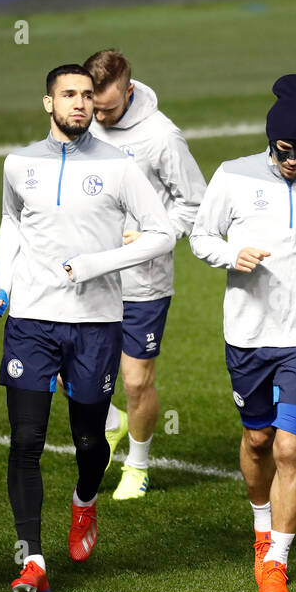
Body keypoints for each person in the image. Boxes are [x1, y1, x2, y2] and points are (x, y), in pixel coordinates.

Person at [0, 64, 175, 592]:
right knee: (25, 440)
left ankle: (85, 498)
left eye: (87, 95)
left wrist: (98, 263)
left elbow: (161, 235)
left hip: (95, 323)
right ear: (48, 102)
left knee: (91, 442)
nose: (80, 103)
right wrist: (2, 285)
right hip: (30, 319)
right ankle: (33, 560)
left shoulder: (121, 167)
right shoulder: (18, 163)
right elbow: (12, 222)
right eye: (68, 94)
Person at [190, 74, 296, 592]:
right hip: (248, 333)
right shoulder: (232, 177)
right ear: (270, 142)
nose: (294, 161)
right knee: (259, 441)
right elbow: (199, 236)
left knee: (290, 445)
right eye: (285, 151)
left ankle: (276, 562)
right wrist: (228, 256)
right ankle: (262, 522)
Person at [84, 48, 207, 499]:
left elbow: (195, 201)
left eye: (109, 107)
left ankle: (137, 465)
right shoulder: (79, 125)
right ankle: (112, 422)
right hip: (88, 274)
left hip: (142, 281)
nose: (100, 116)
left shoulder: (162, 136)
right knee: (63, 370)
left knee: (136, 379)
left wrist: (159, 235)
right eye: (94, 107)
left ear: (129, 91)